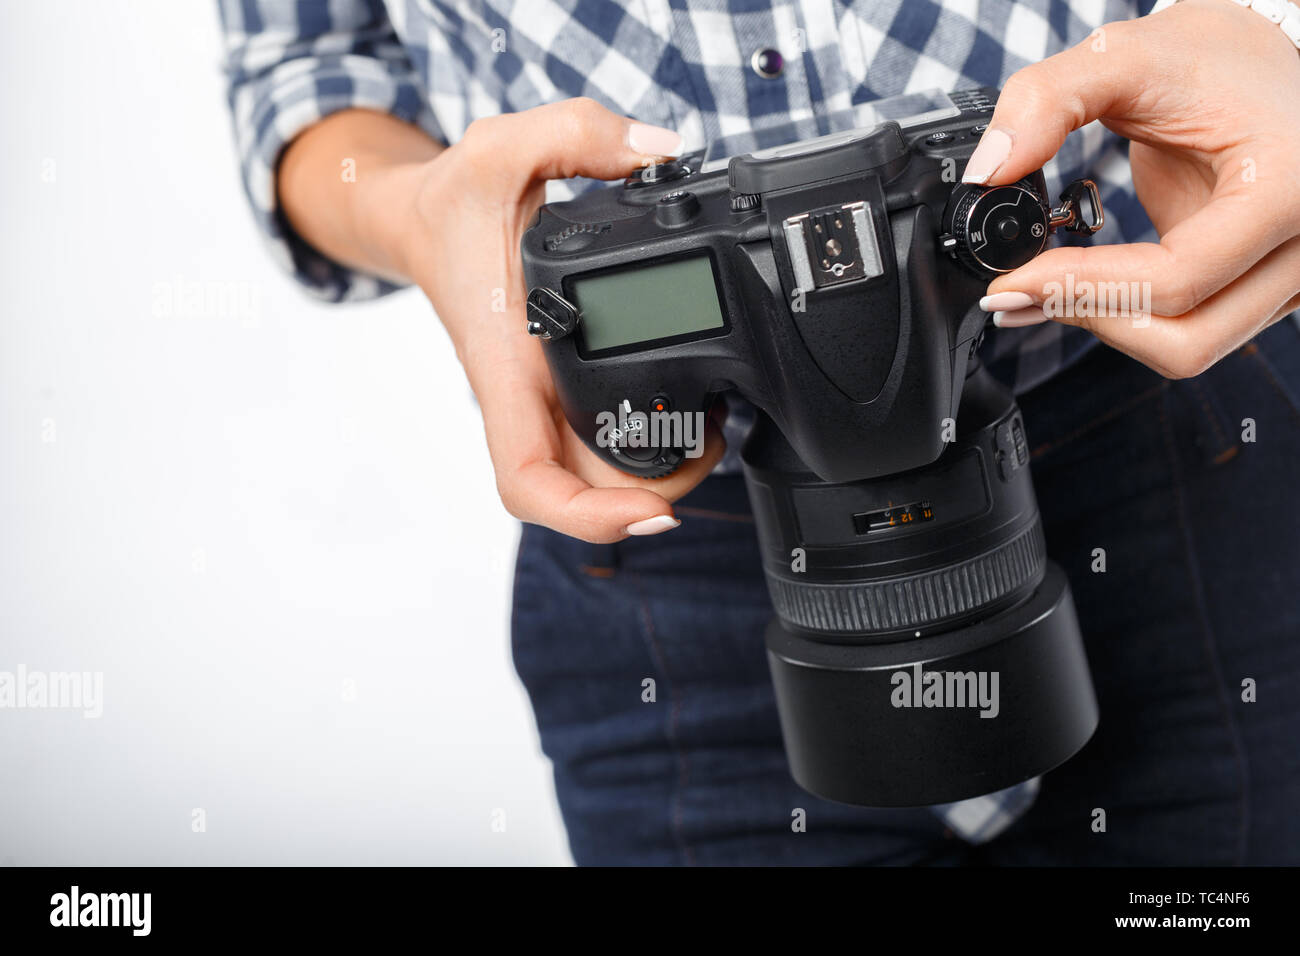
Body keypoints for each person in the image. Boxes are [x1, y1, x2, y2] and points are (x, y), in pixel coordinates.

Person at [217, 0, 1300, 865]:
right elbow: (308, 74)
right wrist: (420, 210)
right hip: (670, 547)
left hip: (1177, 409)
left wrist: (1276, 35)